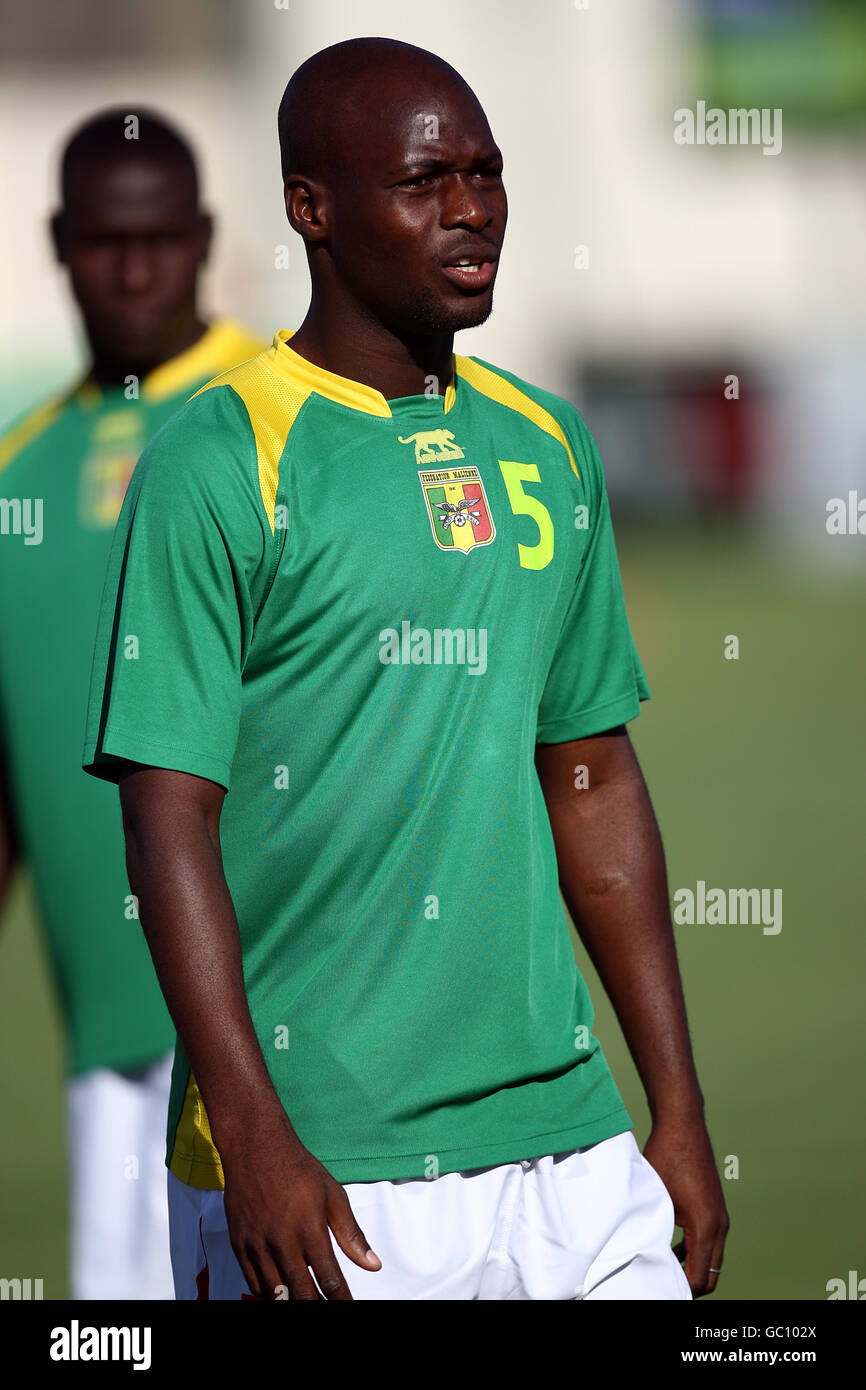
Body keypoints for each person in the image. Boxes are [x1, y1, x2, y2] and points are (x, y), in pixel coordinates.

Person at [82, 40, 729, 1301]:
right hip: (329, 1168)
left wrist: (678, 1111)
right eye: (428, 180)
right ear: (310, 209)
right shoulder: (219, 460)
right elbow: (168, 825)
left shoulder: (546, 441)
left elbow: (589, 778)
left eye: (485, 174)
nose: (474, 208)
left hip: (570, 1153)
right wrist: (254, 1132)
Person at [0, 107, 263, 1299]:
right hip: (112, 1054)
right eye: (108, 240)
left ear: (204, 235)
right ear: (59, 242)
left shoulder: (279, 414)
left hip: (287, 1024)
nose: (138, 265)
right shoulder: (15, 474)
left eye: (163, 236)